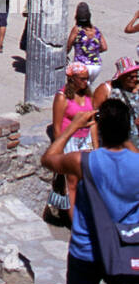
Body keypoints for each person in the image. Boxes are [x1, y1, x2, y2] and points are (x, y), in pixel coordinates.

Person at [42, 98, 139, 284]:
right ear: (128, 128)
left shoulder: (83, 161)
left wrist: (73, 126)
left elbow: (49, 158)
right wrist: (128, 138)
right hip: (125, 252)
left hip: (86, 251)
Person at [47, 64, 98, 217]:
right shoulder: (62, 97)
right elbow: (57, 127)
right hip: (70, 142)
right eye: (82, 79)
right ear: (71, 78)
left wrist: (96, 148)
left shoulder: (88, 95)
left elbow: (93, 122)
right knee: (72, 185)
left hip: (85, 140)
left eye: (87, 79)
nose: (85, 82)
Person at [93, 57, 139, 147]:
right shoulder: (107, 89)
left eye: (136, 76)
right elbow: (94, 117)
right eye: (131, 77)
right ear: (122, 77)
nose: (135, 79)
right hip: (115, 143)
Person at [67, 3, 107, 84]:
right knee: (86, 88)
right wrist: (92, 51)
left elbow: (68, 46)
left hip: (82, 66)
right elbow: (104, 47)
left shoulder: (77, 30)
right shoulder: (96, 30)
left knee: (77, 91)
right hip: (96, 66)